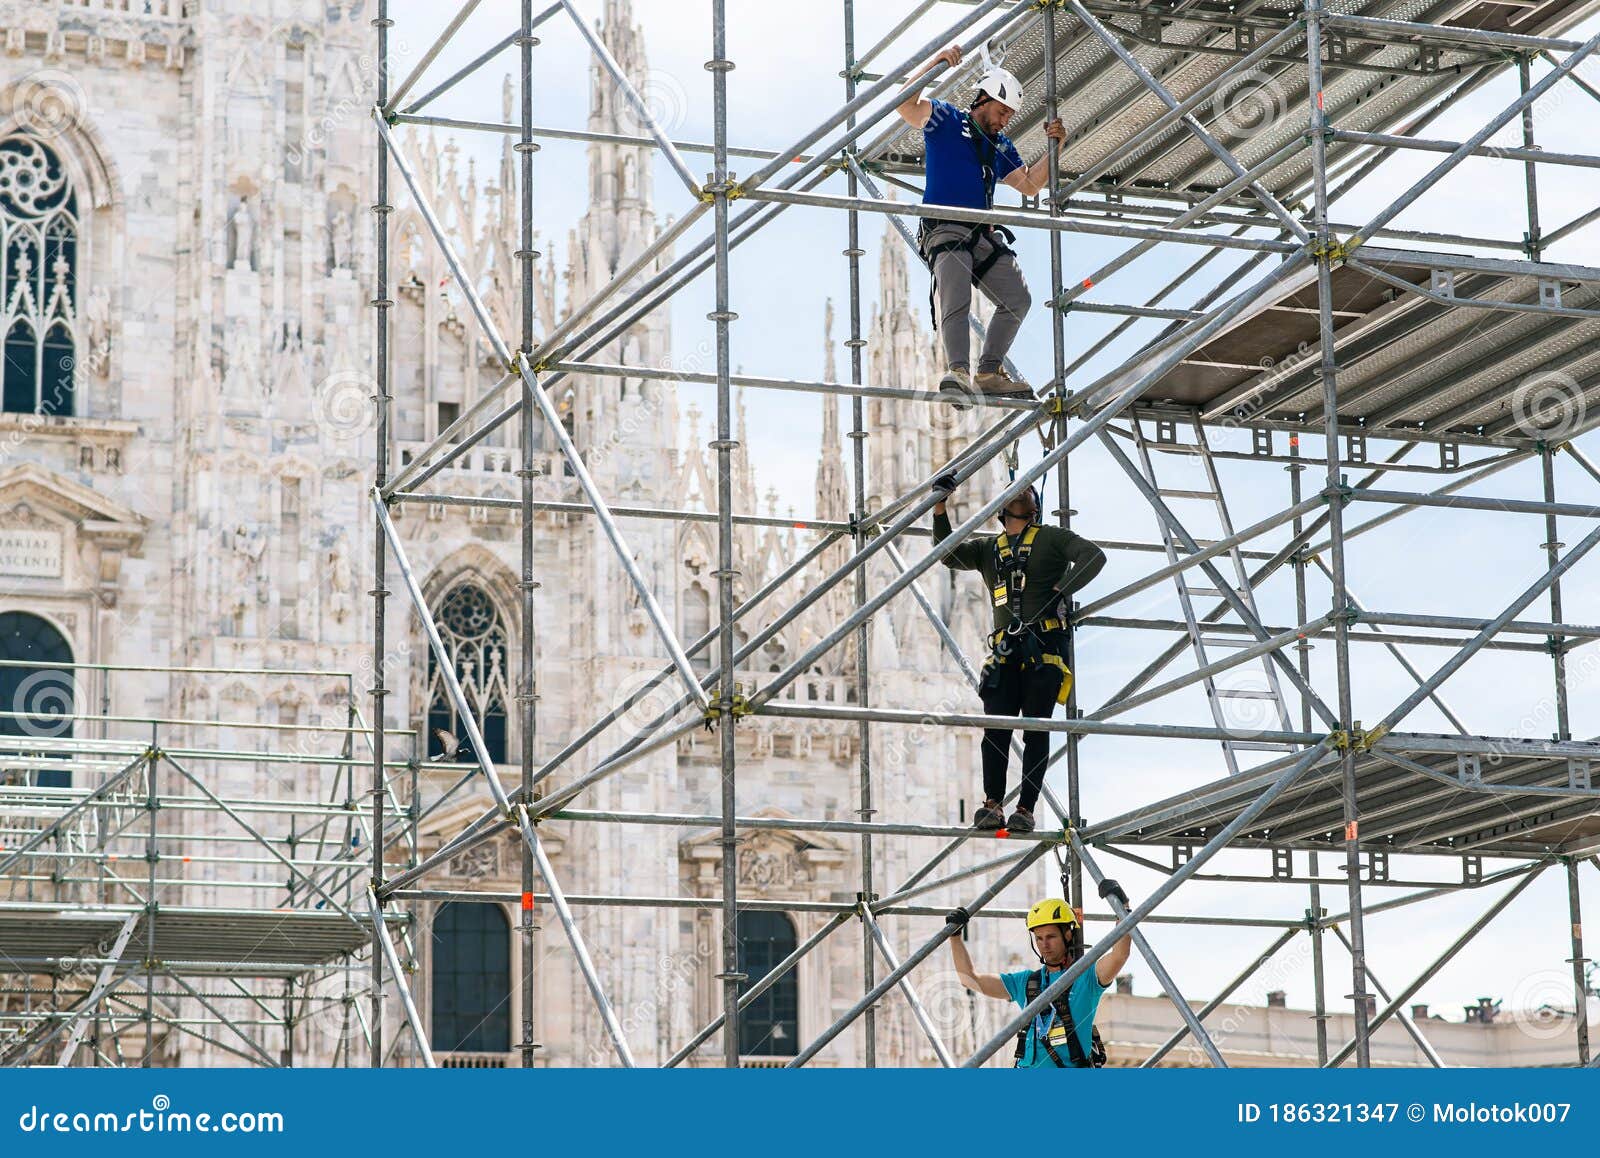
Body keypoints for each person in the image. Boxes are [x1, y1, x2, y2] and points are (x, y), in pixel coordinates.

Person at [895, 45, 1066, 408]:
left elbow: (1030, 185)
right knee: (955, 299)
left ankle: (988, 372)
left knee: (1018, 299)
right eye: (1002, 111)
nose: (1006, 120)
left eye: (1010, 115)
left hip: (980, 234)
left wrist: (1056, 148)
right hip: (946, 228)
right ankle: (958, 372)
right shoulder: (945, 119)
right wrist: (937, 62)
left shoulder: (1000, 144)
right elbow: (905, 105)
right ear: (984, 99)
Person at [932, 473, 1105, 832]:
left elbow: (1093, 557)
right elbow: (946, 554)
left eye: (1028, 488)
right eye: (1015, 489)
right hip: (1005, 651)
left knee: (1035, 730)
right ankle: (992, 804)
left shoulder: (1052, 538)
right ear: (1001, 508)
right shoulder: (988, 550)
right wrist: (939, 506)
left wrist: (1061, 589)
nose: (1022, 490)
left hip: (1044, 649)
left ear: (1035, 507)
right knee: (995, 729)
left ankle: (1025, 810)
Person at [946, 886, 1133, 1068]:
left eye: (1051, 936)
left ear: (1068, 935)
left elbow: (1119, 955)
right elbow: (971, 980)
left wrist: (1122, 908)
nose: (1044, 945)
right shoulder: (1027, 982)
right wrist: (955, 937)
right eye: (1039, 938)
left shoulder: (1086, 978)